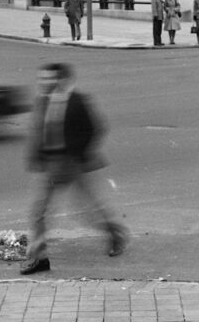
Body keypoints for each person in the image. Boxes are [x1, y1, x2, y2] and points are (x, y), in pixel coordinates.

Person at [21, 59, 126, 273]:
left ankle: (115, 234)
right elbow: (39, 131)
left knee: (88, 211)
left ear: (61, 80)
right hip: (52, 164)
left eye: (49, 79)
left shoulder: (78, 101)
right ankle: (40, 259)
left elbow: (96, 128)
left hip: (72, 163)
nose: (44, 82)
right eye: (41, 79)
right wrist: (37, 156)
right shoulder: (42, 102)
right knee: (38, 212)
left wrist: (78, 153)